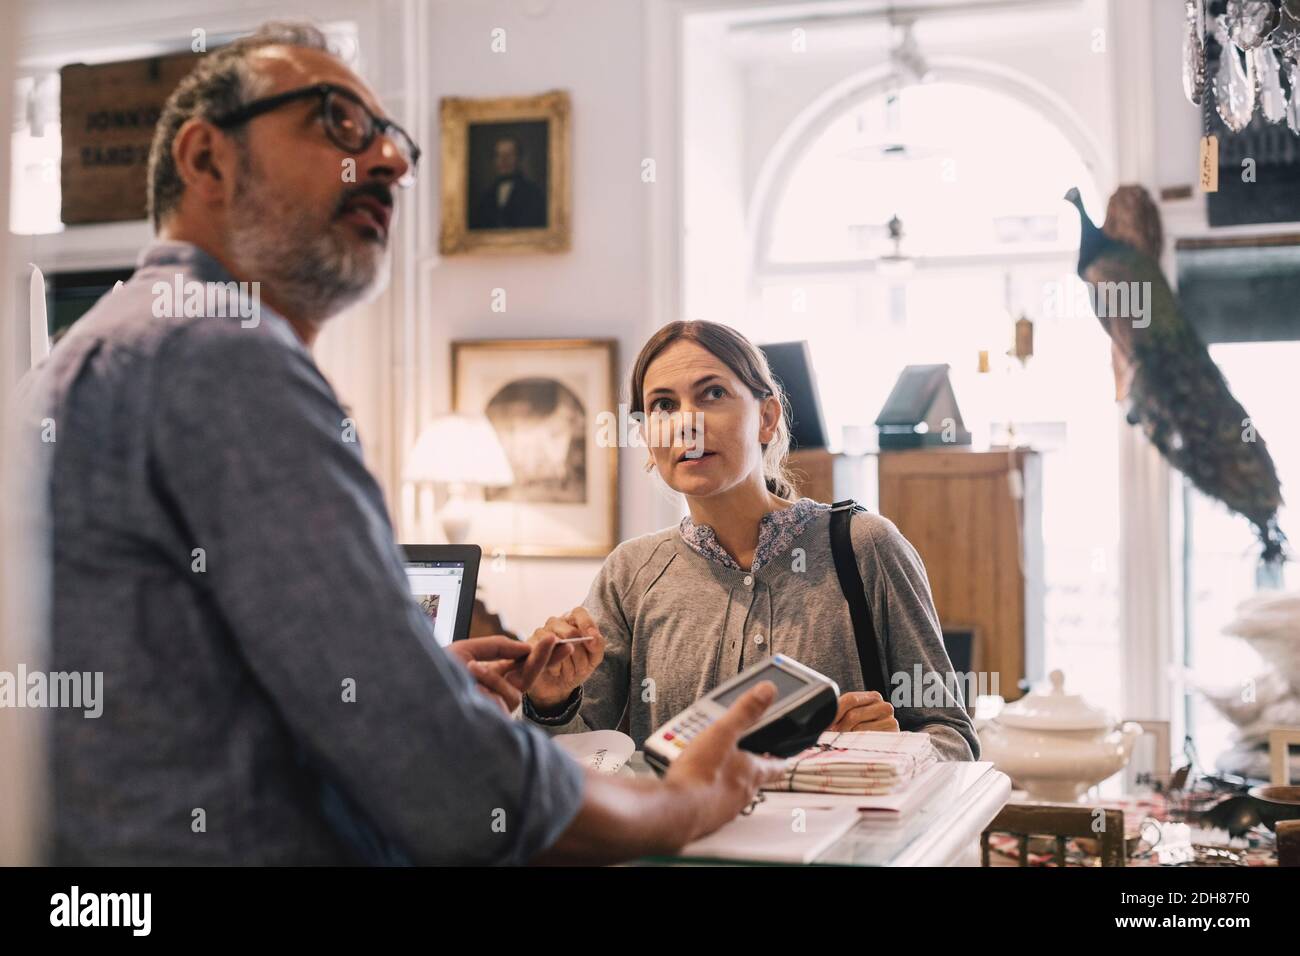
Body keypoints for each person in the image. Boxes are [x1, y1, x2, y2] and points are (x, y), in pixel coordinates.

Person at [19, 23, 783, 866]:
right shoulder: (221, 353)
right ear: (207, 161)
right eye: (338, 124)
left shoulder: (104, 349)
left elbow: (183, 692)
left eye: (393, 139)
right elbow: (447, 781)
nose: (389, 161)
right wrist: (678, 808)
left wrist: (423, 679)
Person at [522, 321, 980, 761]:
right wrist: (549, 702)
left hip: (836, 841)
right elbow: (577, 759)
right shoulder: (629, 573)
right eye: (663, 405)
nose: (687, 424)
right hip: (677, 841)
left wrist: (895, 750)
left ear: (766, 417)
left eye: (713, 394)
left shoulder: (866, 547)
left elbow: (953, 738)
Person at [469, 134, 547, 230]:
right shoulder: (486, 196)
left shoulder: (533, 193)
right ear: (494, 160)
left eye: (509, 155)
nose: (503, 160)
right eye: (499, 155)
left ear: (519, 159)